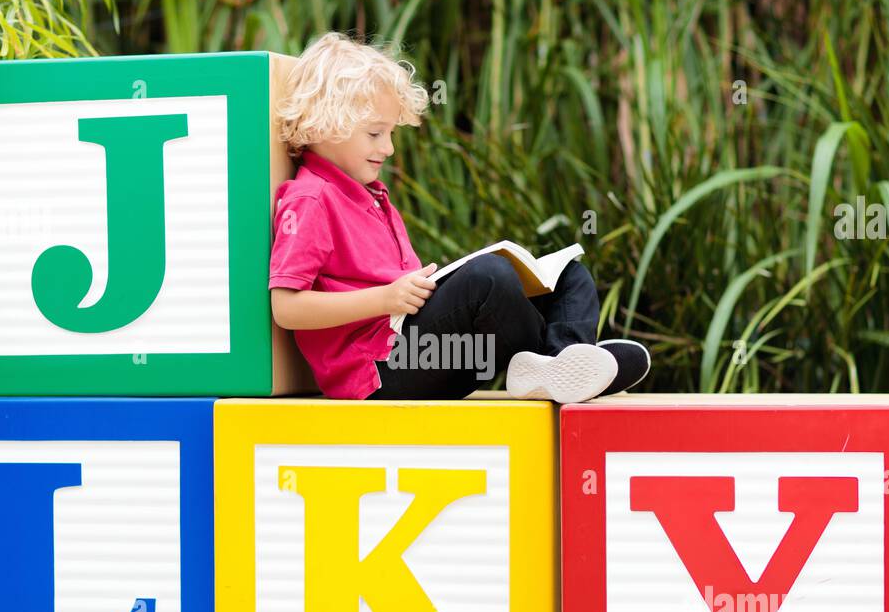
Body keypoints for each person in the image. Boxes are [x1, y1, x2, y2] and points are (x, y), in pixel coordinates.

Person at [269, 31, 650, 402]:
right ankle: (564, 363)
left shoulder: (369, 195)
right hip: (380, 370)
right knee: (488, 277)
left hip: (424, 350)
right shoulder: (310, 198)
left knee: (568, 274)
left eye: (390, 133)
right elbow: (286, 307)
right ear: (325, 125)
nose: (388, 147)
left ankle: (562, 363)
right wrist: (385, 299)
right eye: (374, 134)